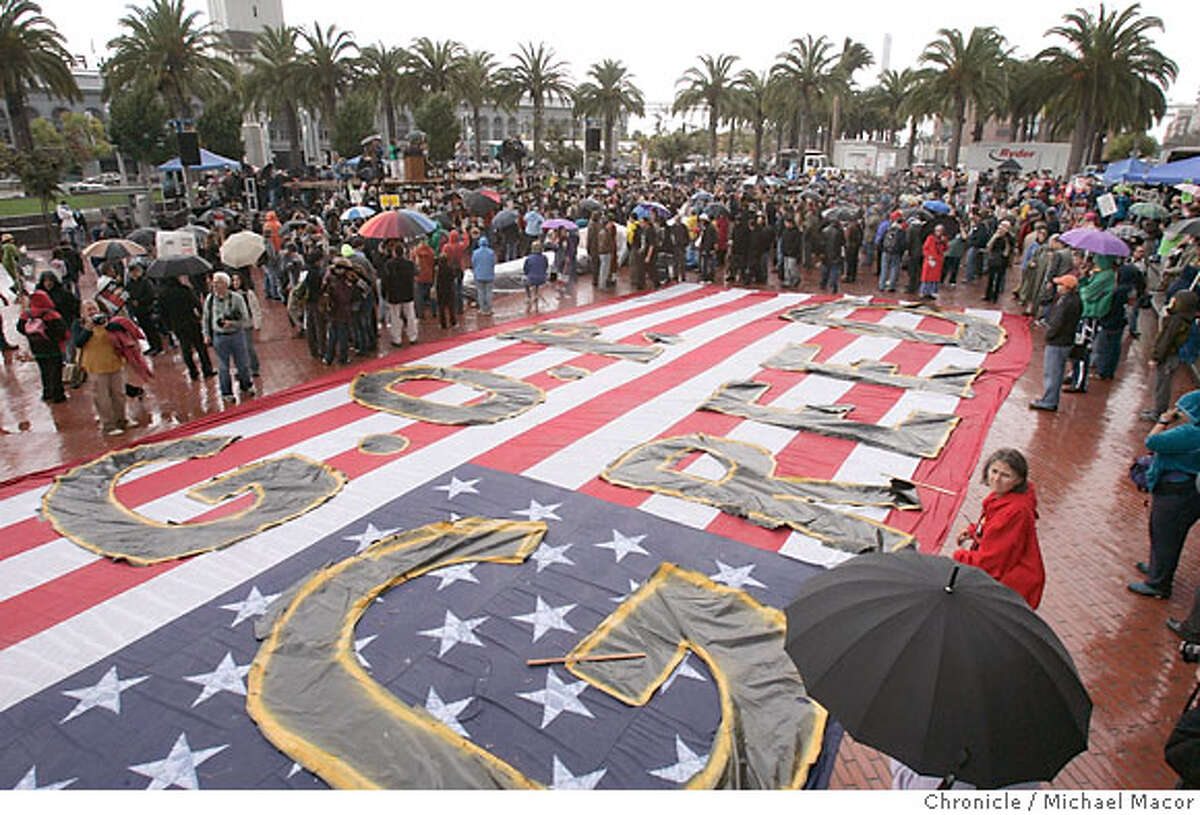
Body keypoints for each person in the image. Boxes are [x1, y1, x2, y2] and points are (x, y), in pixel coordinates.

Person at [1128, 390, 1200, 600]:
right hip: (1188, 492)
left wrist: (1163, 421)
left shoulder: (1190, 434)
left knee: (1165, 535)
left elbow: (1153, 441)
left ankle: (1158, 583)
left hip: (1176, 493)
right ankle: (1157, 568)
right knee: (1166, 534)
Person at [952, 448, 1045, 609]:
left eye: (1005, 475)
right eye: (994, 471)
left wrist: (959, 556)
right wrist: (975, 530)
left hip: (1012, 586)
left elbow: (990, 563)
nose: (996, 479)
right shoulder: (1007, 498)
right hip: (1016, 578)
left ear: (1018, 480)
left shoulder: (1013, 513)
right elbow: (994, 527)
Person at [71, 299, 139, 434]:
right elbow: (78, 342)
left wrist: (108, 324)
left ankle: (122, 419)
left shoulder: (109, 320)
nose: (92, 312)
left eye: (94, 308)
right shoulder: (79, 325)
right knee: (102, 397)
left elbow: (123, 330)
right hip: (95, 366)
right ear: (82, 313)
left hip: (114, 362)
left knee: (119, 394)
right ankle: (108, 425)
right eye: (88, 309)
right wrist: (88, 328)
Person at [1140, 290, 1199, 422]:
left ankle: (1159, 411)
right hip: (1173, 356)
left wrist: (1155, 357)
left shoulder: (1176, 321)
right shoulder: (1187, 319)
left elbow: (1166, 340)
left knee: (1162, 384)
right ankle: (1158, 409)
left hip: (1168, 357)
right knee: (1163, 383)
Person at [1029, 274, 1083, 412]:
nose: (1058, 287)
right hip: (1065, 341)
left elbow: (1058, 322)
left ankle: (1049, 401)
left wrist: (1049, 335)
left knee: (1052, 372)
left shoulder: (1066, 302)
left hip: (1058, 342)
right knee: (1056, 372)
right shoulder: (1075, 300)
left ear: (1067, 287)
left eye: (1060, 285)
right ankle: (1050, 399)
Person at [202, 271, 255, 401]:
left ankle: (246, 385)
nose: (215, 285)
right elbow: (206, 317)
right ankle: (226, 392)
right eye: (214, 283)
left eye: (218, 282)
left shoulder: (236, 298)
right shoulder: (210, 299)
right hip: (219, 336)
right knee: (223, 366)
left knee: (242, 363)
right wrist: (206, 334)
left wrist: (232, 323)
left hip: (236, 335)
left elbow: (245, 318)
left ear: (226, 284)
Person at [160, 275, 214, 380]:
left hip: (177, 325)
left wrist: (169, 326)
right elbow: (196, 303)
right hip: (191, 321)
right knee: (200, 346)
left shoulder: (163, 295)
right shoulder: (185, 290)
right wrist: (201, 314)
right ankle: (207, 369)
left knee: (185, 348)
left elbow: (163, 313)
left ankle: (193, 372)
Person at [17, 289, 67, 402]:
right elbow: (62, 330)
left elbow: (20, 328)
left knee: (44, 370)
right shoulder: (52, 314)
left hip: (37, 348)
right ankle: (58, 395)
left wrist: (31, 335)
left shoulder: (26, 314)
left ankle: (47, 392)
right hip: (53, 347)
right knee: (56, 370)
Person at [381, 241, 417, 346]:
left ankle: (397, 339)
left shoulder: (389, 265)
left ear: (394, 253)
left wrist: (384, 293)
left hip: (394, 294)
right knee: (410, 315)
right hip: (408, 293)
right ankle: (412, 336)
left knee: (395, 317)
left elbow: (385, 280)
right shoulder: (410, 264)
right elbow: (415, 274)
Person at [230, 273, 261, 378]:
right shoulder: (230, 295)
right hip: (235, 326)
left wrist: (257, 324)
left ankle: (254, 367)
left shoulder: (248, 294)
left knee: (248, 347)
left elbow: (255, 308)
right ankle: (241, 369)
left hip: (246, 324)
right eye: (233, 280)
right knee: (237, 349)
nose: (235, 283)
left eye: (237, 280)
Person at [983, 219, 1015, 303]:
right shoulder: (995, 235)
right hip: (993, 257)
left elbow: (1008, 251)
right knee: (991, 277)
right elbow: (988, 246)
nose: (1001, 228)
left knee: (999, 279)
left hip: (1002, 260)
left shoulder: (1010, 237)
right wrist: (995, 237)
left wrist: (1006, 240)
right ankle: (988, 295)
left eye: (1004, 227)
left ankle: (995, 296)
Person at [920, 224, 948, 300]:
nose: (938, 232)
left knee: (935, 278)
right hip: (930, 260)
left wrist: (944, 242)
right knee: (926, 277)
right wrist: (928, 256)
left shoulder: (944, 239)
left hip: (938, 261)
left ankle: (932, 292)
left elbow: (945, 248)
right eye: (937, 231)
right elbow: (925, 248)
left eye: (940, 231)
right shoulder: (930, 238)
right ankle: (924, 292)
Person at [471, 236, 496, 316]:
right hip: (489, 275)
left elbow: (473, 263)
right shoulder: (491, 252)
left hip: (478, 275)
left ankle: (482, 309)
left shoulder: (475, 253)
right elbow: (493, 262)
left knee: (480, 292)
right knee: (489, 292)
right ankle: (489, 309)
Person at [523, 241, 549, 306]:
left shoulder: (529, 258)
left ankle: (528, 296)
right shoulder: (544, 257)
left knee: (525, 280)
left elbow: (525, 269)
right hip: (543, 279)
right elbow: (546, 267)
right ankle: (536, 294)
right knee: (537, 277)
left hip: (532, 279)